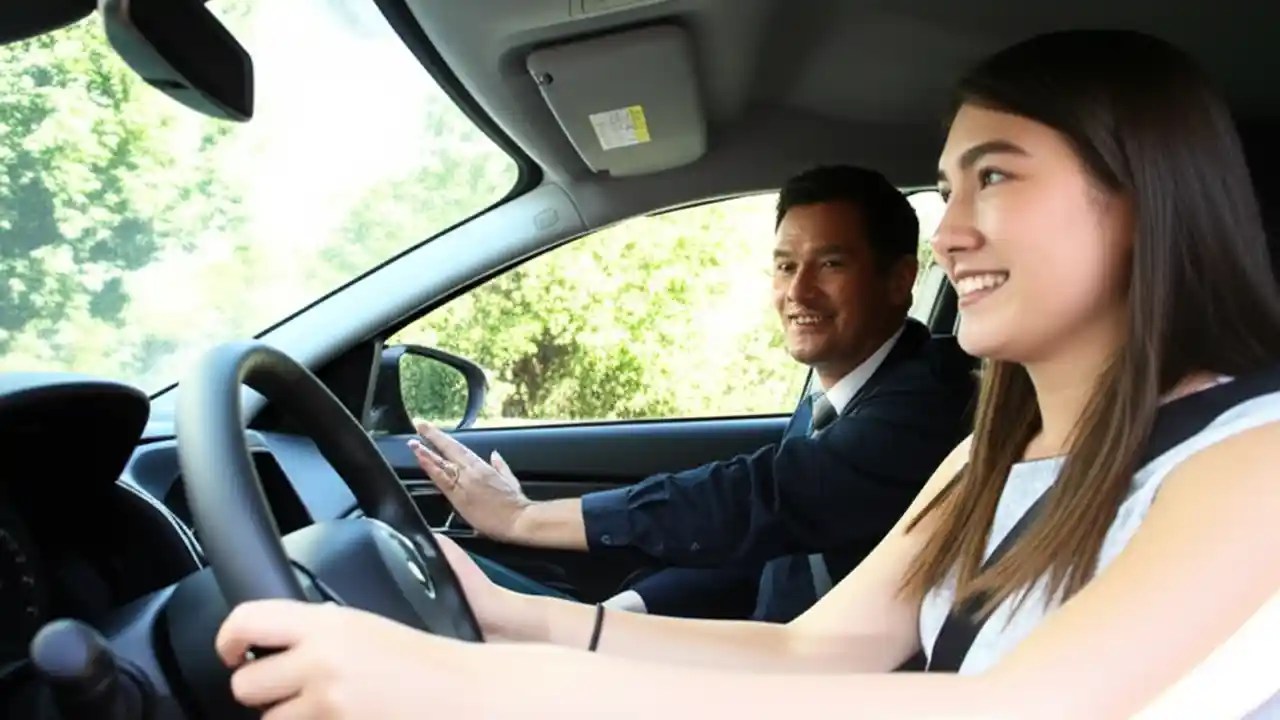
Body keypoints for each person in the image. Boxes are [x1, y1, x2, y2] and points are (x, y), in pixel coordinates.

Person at [214, 29, 1280, 718]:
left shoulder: (1255, 459)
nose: (950, 233)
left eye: (990, 178)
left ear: (1142, 199)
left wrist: (472, 689)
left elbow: (1010, 707)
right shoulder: (990, 456)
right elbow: (812, 659)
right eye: (945, 189)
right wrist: (520, 621)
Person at [461, 165, 976, 623]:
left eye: (831, 264)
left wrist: (524, 519)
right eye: (785, 266)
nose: (798, 292)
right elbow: (758, 551)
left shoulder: (926, 403)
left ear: (899, 280)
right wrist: (622, 613)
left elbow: (759, 500)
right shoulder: (832, 400)